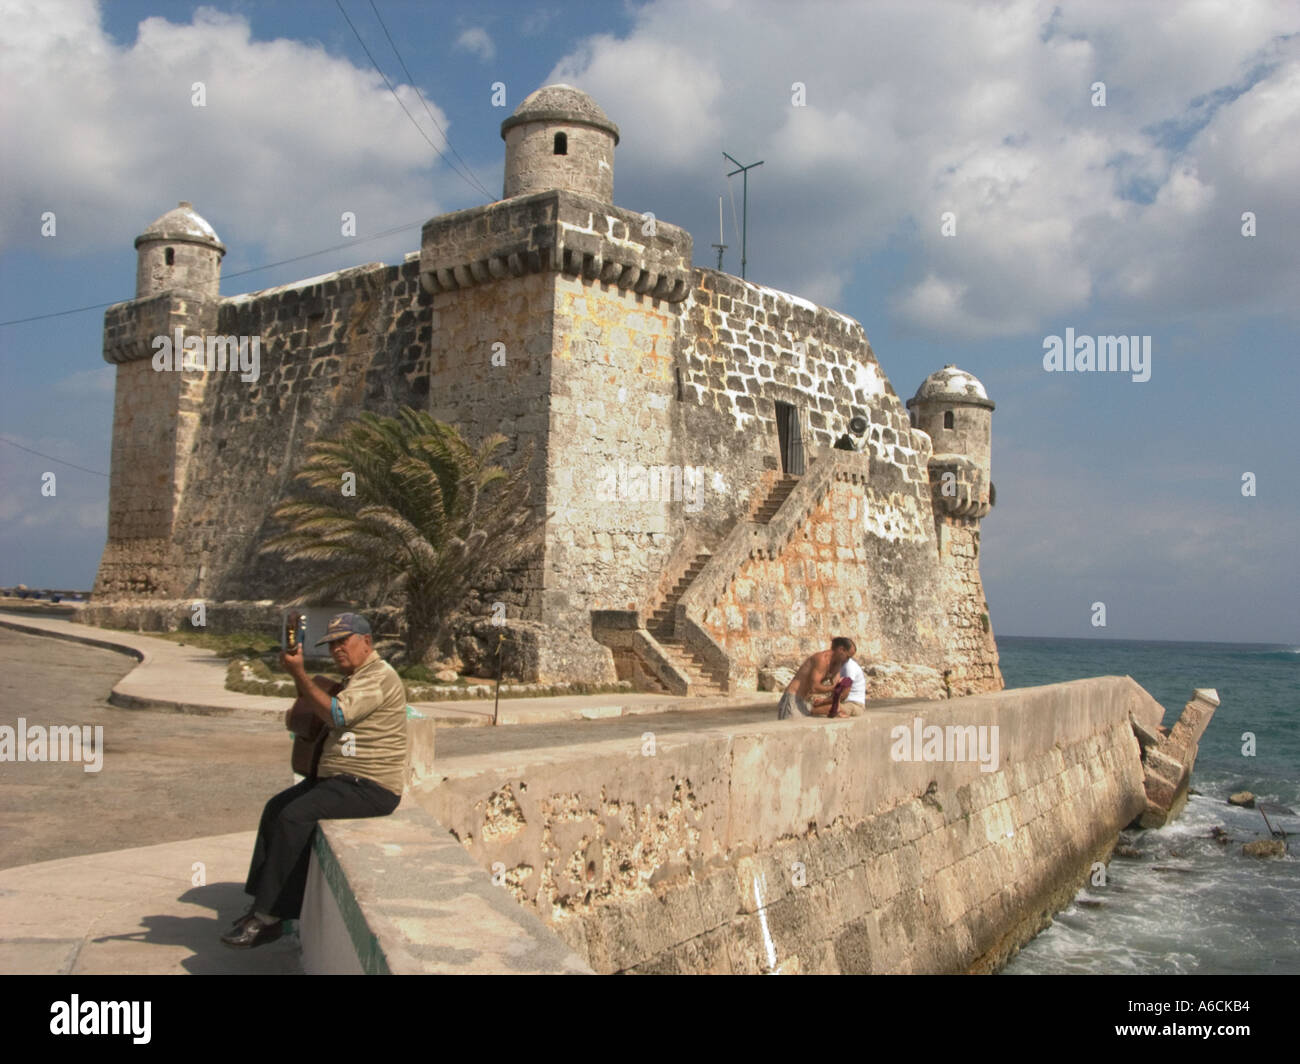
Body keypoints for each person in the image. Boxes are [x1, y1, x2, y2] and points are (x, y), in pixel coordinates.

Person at [222, 611, 408, 948]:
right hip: (341, 780)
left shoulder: (377, 675)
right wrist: (299, 674)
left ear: (366, 642)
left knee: (295, 816)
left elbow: (337, 713)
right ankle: (259, 902)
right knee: (276, 808)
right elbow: (317, 702)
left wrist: (300, 673)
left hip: (370, 786)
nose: (337, 649)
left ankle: (271, 918)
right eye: (332, 643)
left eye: (343, 641)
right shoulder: (356, 675)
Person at [778, 637, 855, 719]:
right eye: (848, 657)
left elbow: (836, 690)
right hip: (793, 698)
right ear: (841, 650)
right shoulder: (821, 659)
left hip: (807, 702)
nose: (848, 660)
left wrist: (843, 690)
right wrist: (834, 688)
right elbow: (814, 687)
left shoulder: (837, 664)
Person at [812, 637, 867, 717]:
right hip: (841, 702)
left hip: (854, 704)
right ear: (841, 650)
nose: (848, 659)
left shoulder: (849, 667)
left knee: (815, 710)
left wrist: (824, 701)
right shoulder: (837, 664)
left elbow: (843, 694)